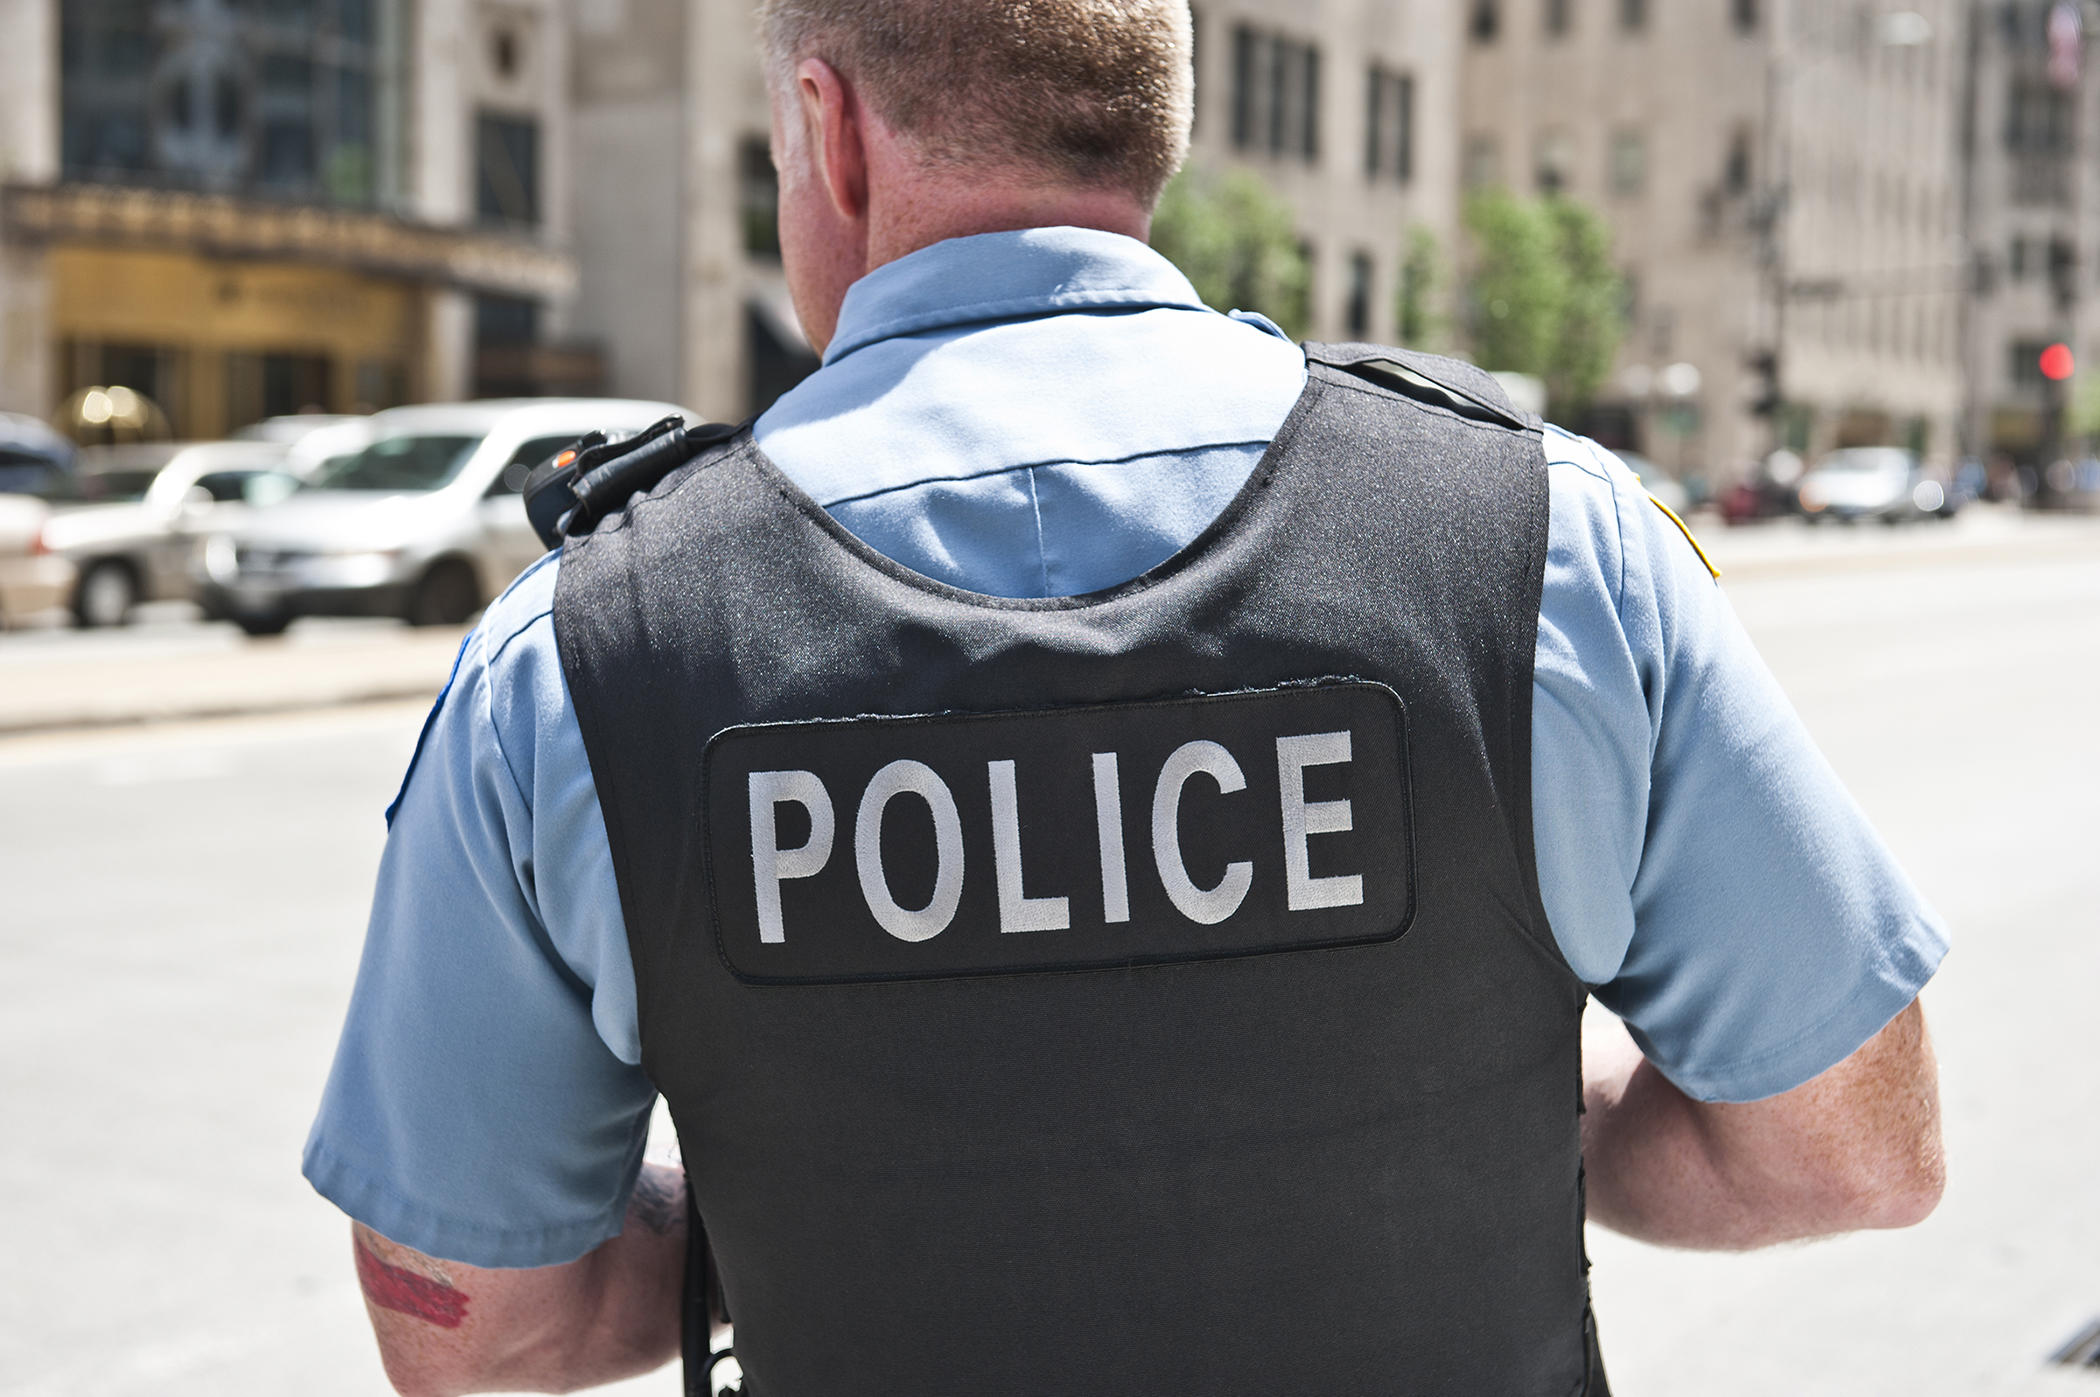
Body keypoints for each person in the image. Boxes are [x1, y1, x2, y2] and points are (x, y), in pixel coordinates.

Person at [305, 3, 1948, 1393]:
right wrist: (1444, 1150)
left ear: (833, 128)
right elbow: (1850, 1144)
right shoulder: (1546, 548)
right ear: (1156, 126)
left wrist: (792, 1211)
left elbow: (471, 1321)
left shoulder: (577, 653)